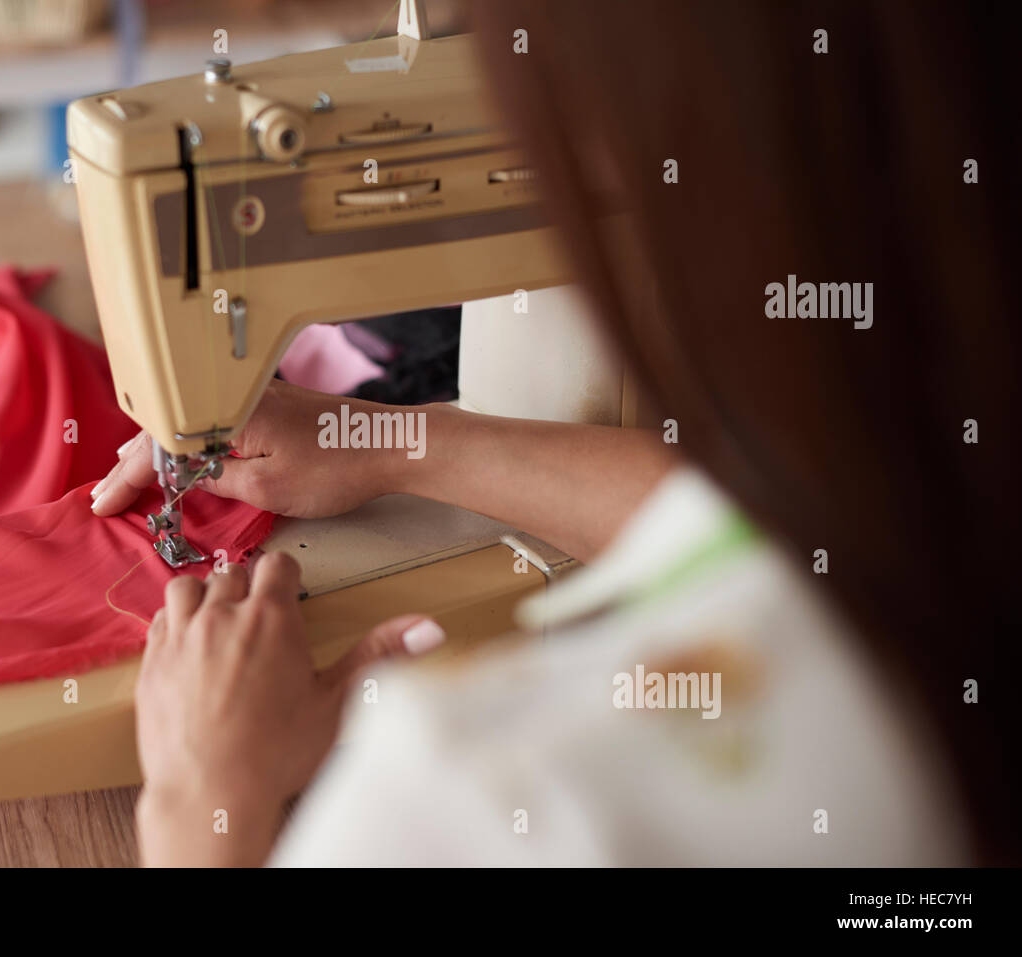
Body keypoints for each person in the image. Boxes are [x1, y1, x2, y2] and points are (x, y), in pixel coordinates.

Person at [89, 0, 1018, 866]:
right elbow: (761, 536)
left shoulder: (482, 789)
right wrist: (387, 444)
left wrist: (201, 797)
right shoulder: (928, 528)